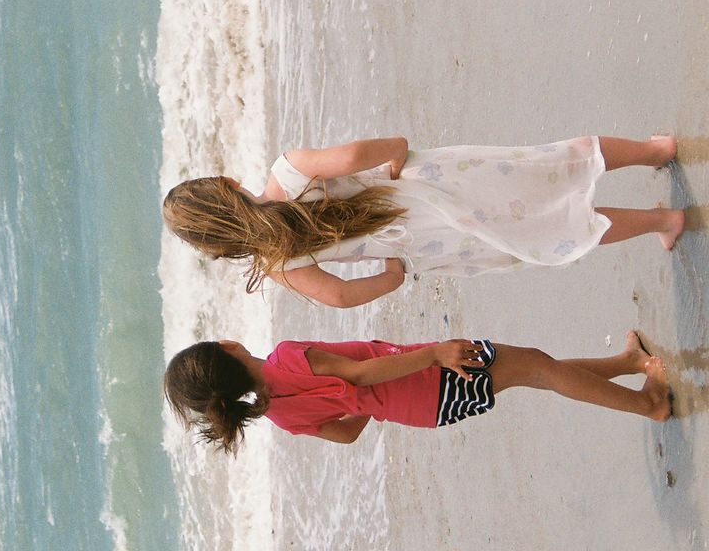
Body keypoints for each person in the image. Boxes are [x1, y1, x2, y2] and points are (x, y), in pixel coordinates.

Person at [162, 135, 685, 308]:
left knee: (541, 230)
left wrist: (391, 276)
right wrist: (396, 152)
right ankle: (655, 149)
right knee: (543, 168)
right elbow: (359, 155)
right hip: (428, 184)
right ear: (227, 185)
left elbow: (339, 297)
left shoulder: (280, 263)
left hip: (429, 241)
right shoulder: (290, 169)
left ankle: (663, 220)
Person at [164, 331, 672, 452]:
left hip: (424, 411)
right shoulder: (285, 358)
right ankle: (649, 404)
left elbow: (345, 434)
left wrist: (361, 405)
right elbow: (359, 376)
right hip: (429, 375)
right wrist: (433, 355)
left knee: (531, 371)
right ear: (229, 349)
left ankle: (626, 363)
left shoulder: (276, 415)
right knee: (536, 369)